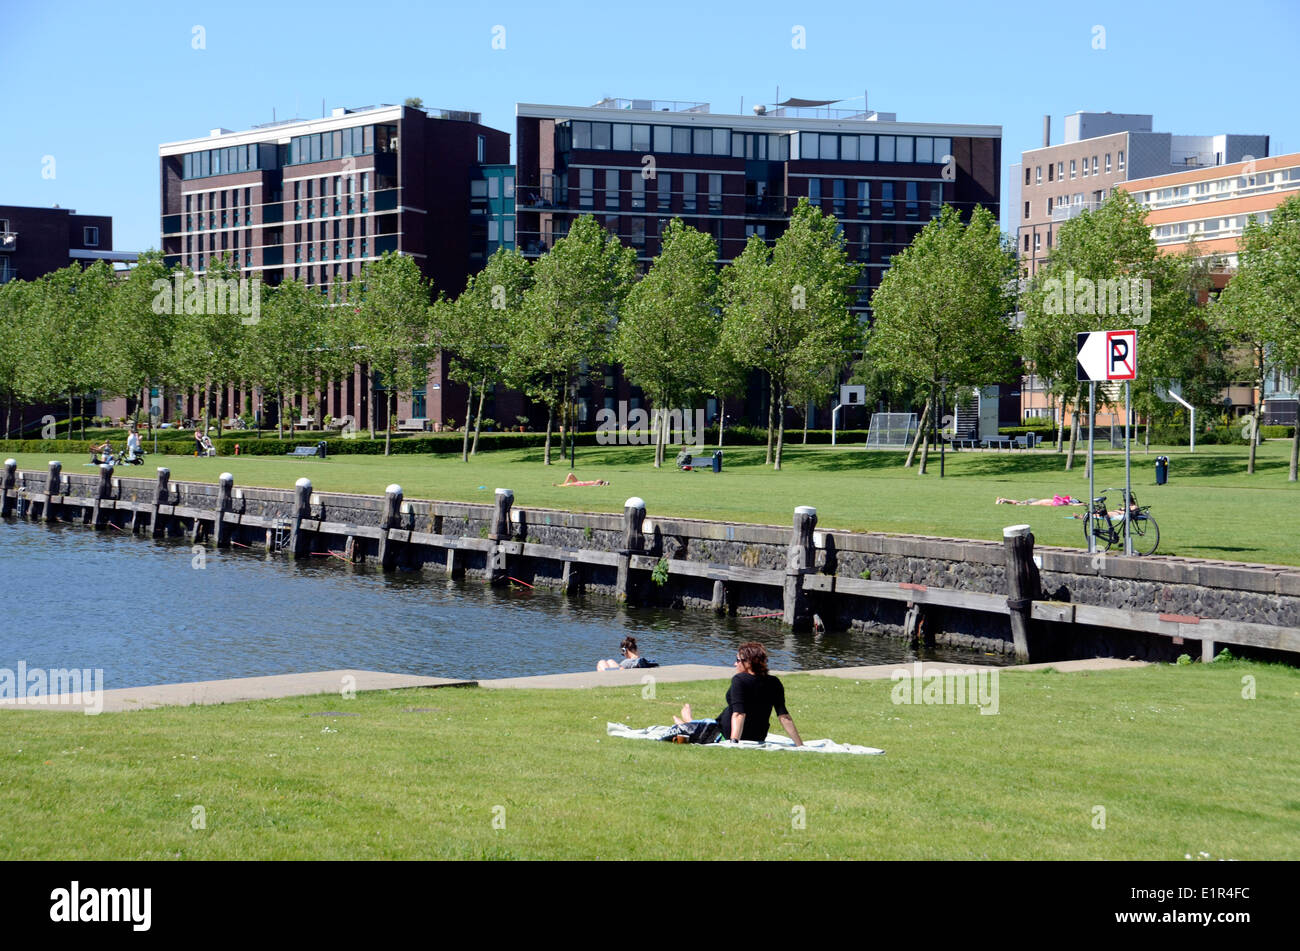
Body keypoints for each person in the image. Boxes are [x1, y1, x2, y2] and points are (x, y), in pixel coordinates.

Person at [672, 642, 803, 745]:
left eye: (738, 660)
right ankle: (689, 721)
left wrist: (734, 742)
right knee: (708, 723)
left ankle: (687, 722)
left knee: (704, 726)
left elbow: (739, 714)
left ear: (749, 663)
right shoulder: (774, 682)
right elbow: (784, 716)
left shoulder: (740, 680)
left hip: (724, 733)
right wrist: (799, 745)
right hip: (758, 735)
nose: (735, 663)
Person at [995, 495, 1083, 506]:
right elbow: (1070, 498)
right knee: (1019, 503)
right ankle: (1003, 500)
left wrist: (1082, 503)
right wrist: (1083, 503)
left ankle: (1003, 500)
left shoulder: (1064, 502)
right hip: (1037, 501)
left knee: (1019, 503)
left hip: (1038, 501)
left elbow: (1073, 502)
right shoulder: (1064, 502)